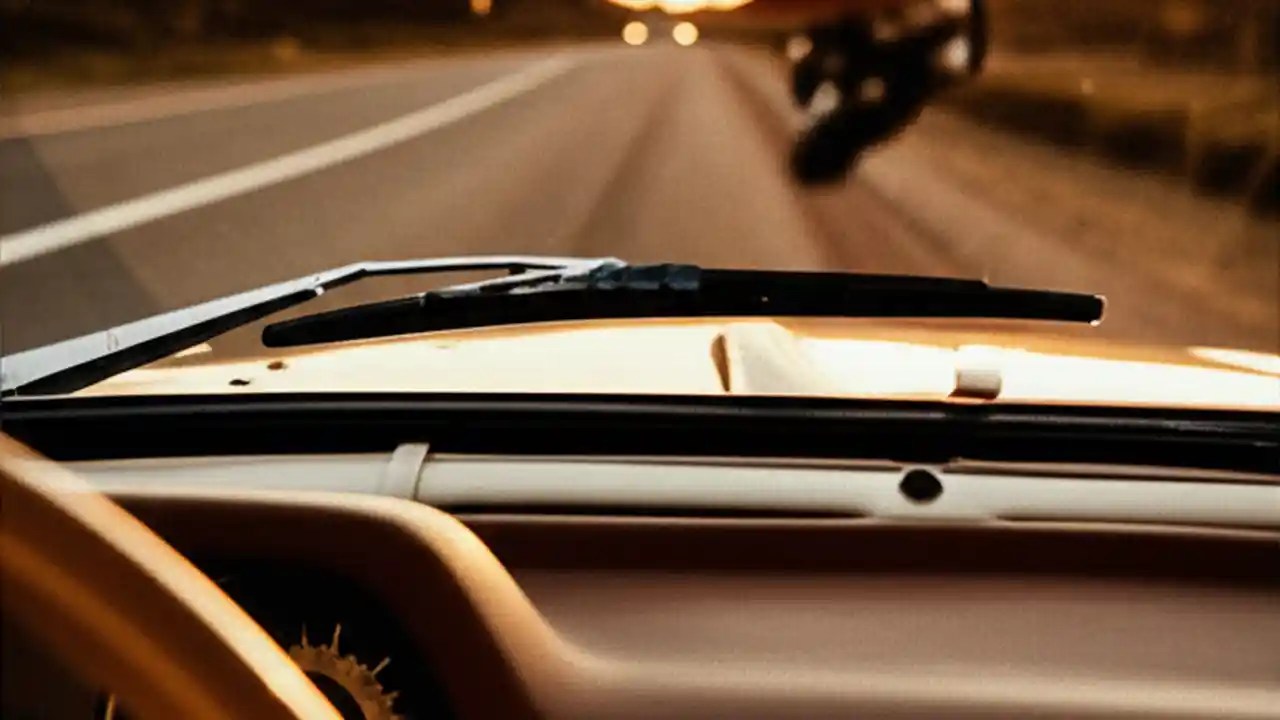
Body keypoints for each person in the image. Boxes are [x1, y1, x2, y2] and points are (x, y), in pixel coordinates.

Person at [759, 0, 988, 184]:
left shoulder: (807, 92)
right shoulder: (873, 123)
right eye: (827, 152)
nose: (819, 139)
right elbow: (916, 82)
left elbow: (810, 38)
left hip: (870, 24)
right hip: (909, 33)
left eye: (812, 144)